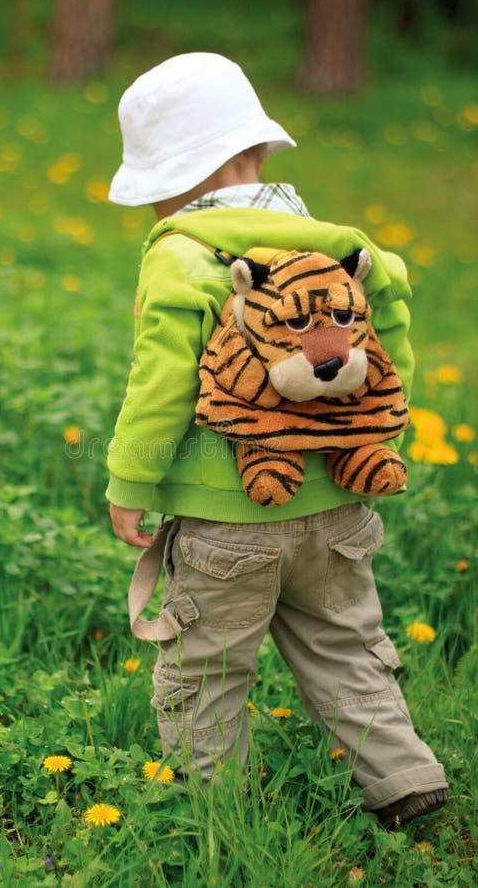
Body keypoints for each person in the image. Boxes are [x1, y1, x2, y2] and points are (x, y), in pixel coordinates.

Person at [105, 52, 448, 827]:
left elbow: (160, 384)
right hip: (337, 510)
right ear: (258, 149)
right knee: (347, 647)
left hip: (227, 523)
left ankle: (214, 815)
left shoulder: (184, 253)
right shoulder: (338, 247)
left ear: (170, 179)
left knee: (208, 671)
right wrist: (374, 444)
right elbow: (391, 349)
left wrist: (131, 480)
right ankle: (403, 774)